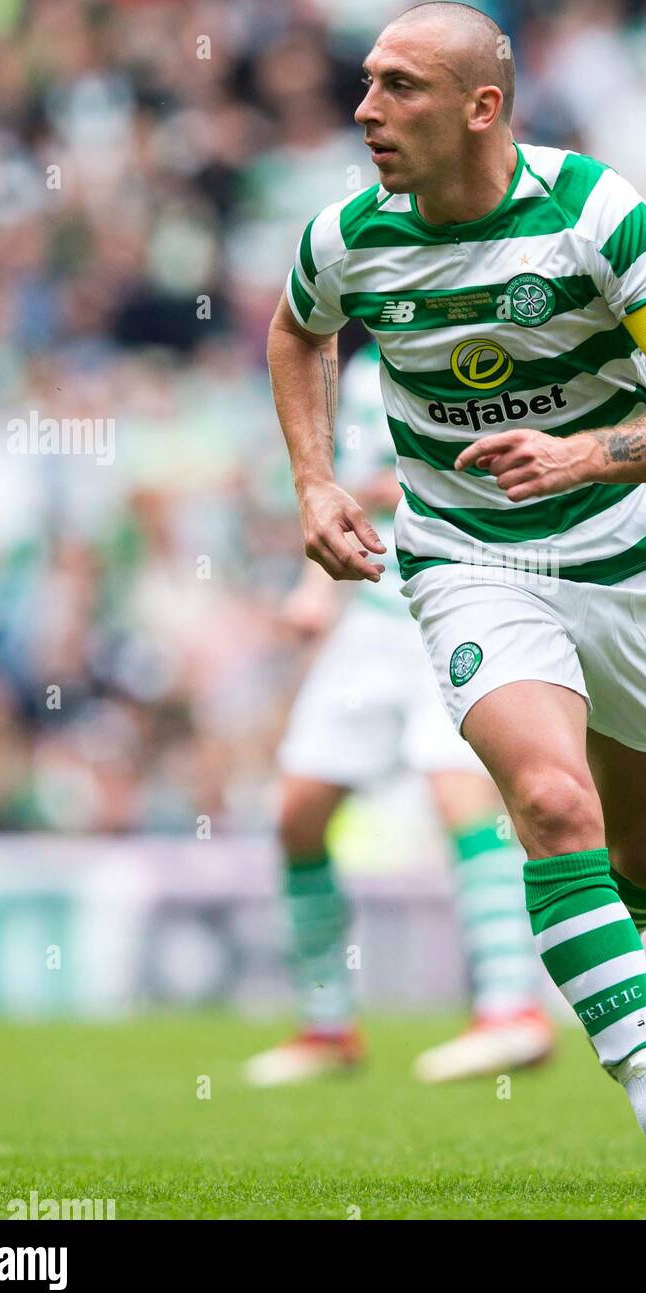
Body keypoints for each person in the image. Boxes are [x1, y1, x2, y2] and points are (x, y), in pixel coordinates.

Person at [268, 1, 646, 1190]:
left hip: (629, 565)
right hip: (468, 562)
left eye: (400, 88)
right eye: (368, 83)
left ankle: (579, 943)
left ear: (483, 107)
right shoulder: (347, 236)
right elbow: (295, 333)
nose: (365, 109)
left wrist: (586, 454)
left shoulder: (597, 215)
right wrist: (317, 482)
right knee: (545, 797)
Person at [245, 341, 554, 1087]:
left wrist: (410, 485)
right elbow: (347, 495)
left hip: (459, 606)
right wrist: (316, 593)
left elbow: (507, 477)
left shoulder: (487, 354)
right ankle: (327, 1026)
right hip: (376, 622)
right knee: (297, 813)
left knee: (460, 799)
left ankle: (512, 1011)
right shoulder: (358, 375)